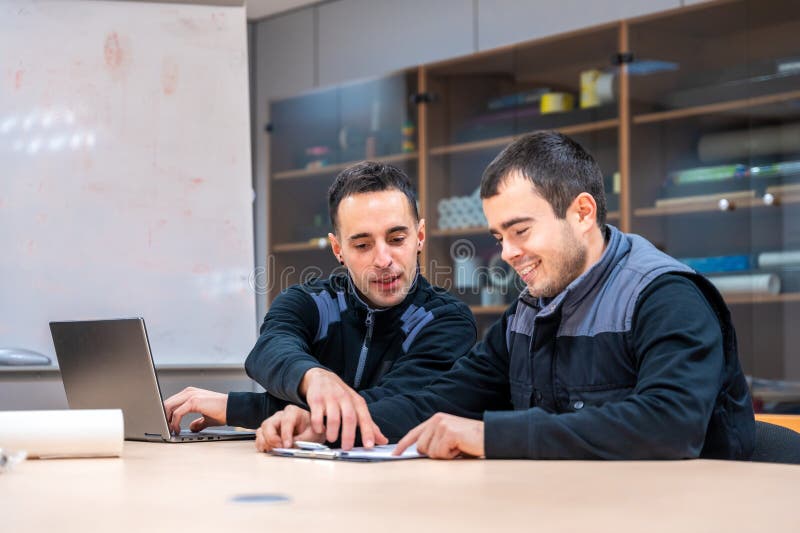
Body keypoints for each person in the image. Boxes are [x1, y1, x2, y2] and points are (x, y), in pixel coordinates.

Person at [260, 131, 755, 460]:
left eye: (520, 231)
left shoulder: (665, 297)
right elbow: (439, 399)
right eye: (499, 237)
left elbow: (670, 423)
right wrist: (326, 428)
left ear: (582, 213)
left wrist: (493, 435)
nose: (508, 253)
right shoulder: (529, 313)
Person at [163, 162, 476, 450]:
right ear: (338, 249)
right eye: (362, 245)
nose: (383, 260)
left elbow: (391, 408)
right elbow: (269, 350)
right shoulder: (307, 301)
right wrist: (314, 377)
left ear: (419, 236)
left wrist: (239, 408)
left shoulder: (448, 321)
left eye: (396, 239)